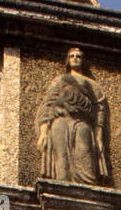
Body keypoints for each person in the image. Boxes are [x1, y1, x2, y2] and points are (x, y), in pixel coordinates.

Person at [36, 46, 109, 184]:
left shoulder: (92, 85)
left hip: (82, 123)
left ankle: (86, 190)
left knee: (85, 156)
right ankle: (62, 186)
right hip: (61, 121)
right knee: (61, 160)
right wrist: (43, 132)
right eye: (72, 56)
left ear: (83, 61)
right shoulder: (60, 80)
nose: (75, 58)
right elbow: (48, 105)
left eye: (78, 56)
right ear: (67, 61)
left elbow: (100, 112)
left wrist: (99, 138)